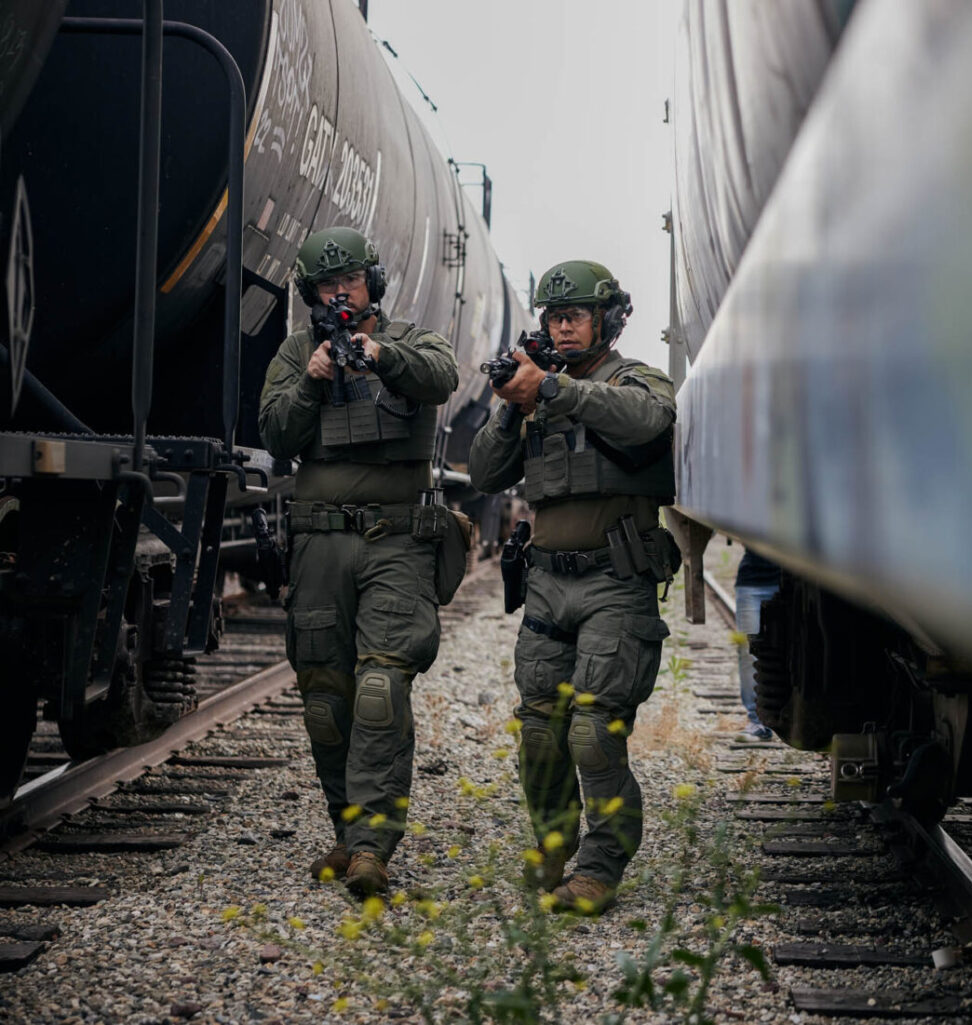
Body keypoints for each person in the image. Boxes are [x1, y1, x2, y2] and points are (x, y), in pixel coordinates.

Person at [468, 259, 677, 914]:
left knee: (593, 731)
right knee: (540, 730)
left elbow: (646, 421)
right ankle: (555, 845)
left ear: (607, 320)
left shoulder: (634, 378)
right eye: (553, 318)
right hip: (548, 586)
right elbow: (482, 470)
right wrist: (512, 407)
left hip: (616, 582)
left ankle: (602, 861)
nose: (561, 328)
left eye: (574, 316)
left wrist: (554, 393)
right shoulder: (540, 390)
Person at [258, 226, 459, 897]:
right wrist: (314, 380)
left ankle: (373, 843)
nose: (339, 293)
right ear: (310, 292)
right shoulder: (295, 353)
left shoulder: (410, 339)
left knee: (380, 689)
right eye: (325, 284)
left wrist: (381, 356)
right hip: (318, 544)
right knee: (324, 697)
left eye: (349, 281)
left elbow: (441, 375)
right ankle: (347, 831)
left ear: (373, 282)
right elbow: (274, 430)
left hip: (394, 543)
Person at [734, 548, 781, 741]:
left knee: (789, 651)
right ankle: (756, 721)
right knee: (749, 653)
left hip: (792, 583)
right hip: (752, 582)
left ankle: (785, 718)